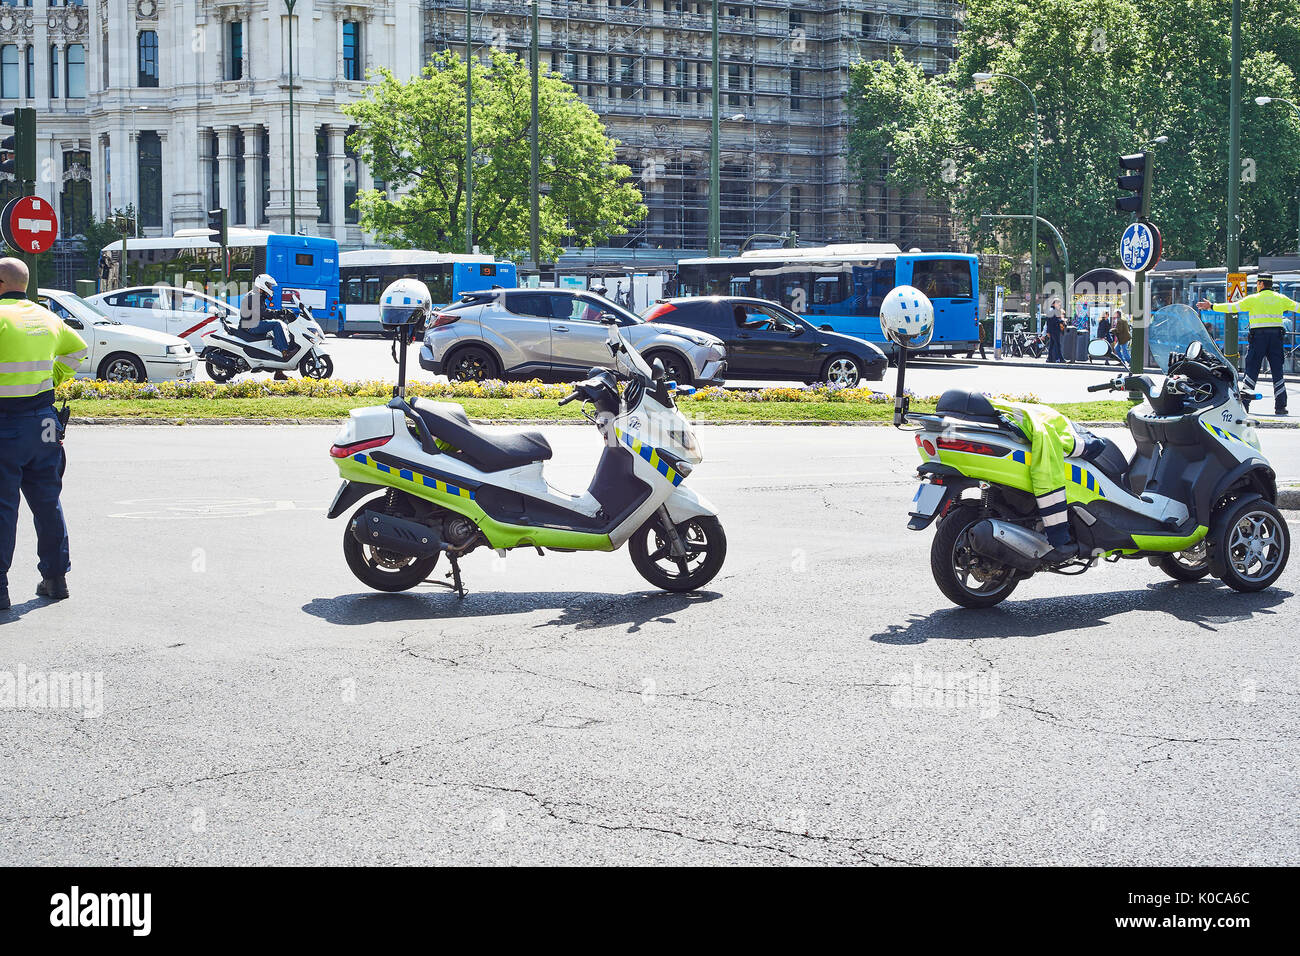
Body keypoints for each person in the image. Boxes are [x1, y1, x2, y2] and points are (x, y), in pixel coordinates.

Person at [0, 257, 87, 610]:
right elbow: (78, 349)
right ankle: (56, 578)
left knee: (3, 507)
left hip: (6, 424)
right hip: (46, 424)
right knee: (47, 501)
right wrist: (54, 378)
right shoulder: (47, 317)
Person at [1199, 273, 1298, 414]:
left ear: (1261, 284)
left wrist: (1212, 306)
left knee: (1251, 371)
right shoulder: (1281, 299)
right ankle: (1280, 407)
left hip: (1258, 339)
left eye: (1258, 283)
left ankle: (1244, 405)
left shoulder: (1253, 299)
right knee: (1278, 372)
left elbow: (1232, 307)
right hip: (1276, 338)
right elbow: (1298, 307)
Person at [240, 273, 293, 380]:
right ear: (263, 285)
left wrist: (279, 314)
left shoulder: (258, 295)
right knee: (276, 325)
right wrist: (280, 313)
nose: (270, 288)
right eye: (269, 286)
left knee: (276, 337)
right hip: (251, 326)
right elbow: (263, 313)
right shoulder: (254, 296)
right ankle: (285, 352)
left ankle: (278, 372)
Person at [1045, 298, 1065, 363]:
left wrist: (1048, 331)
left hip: (1052, 330)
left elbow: (1049, 322)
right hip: (1054, 330)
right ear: (1054, 303)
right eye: (1058, 303)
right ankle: (1060, 359)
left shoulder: (1052, 310)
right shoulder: (1053, 311)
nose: (1059, 305)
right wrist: (1062, 321)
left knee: (1052, 344)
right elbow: (1054, 321)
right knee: (1057, 345)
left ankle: (1049, 358)